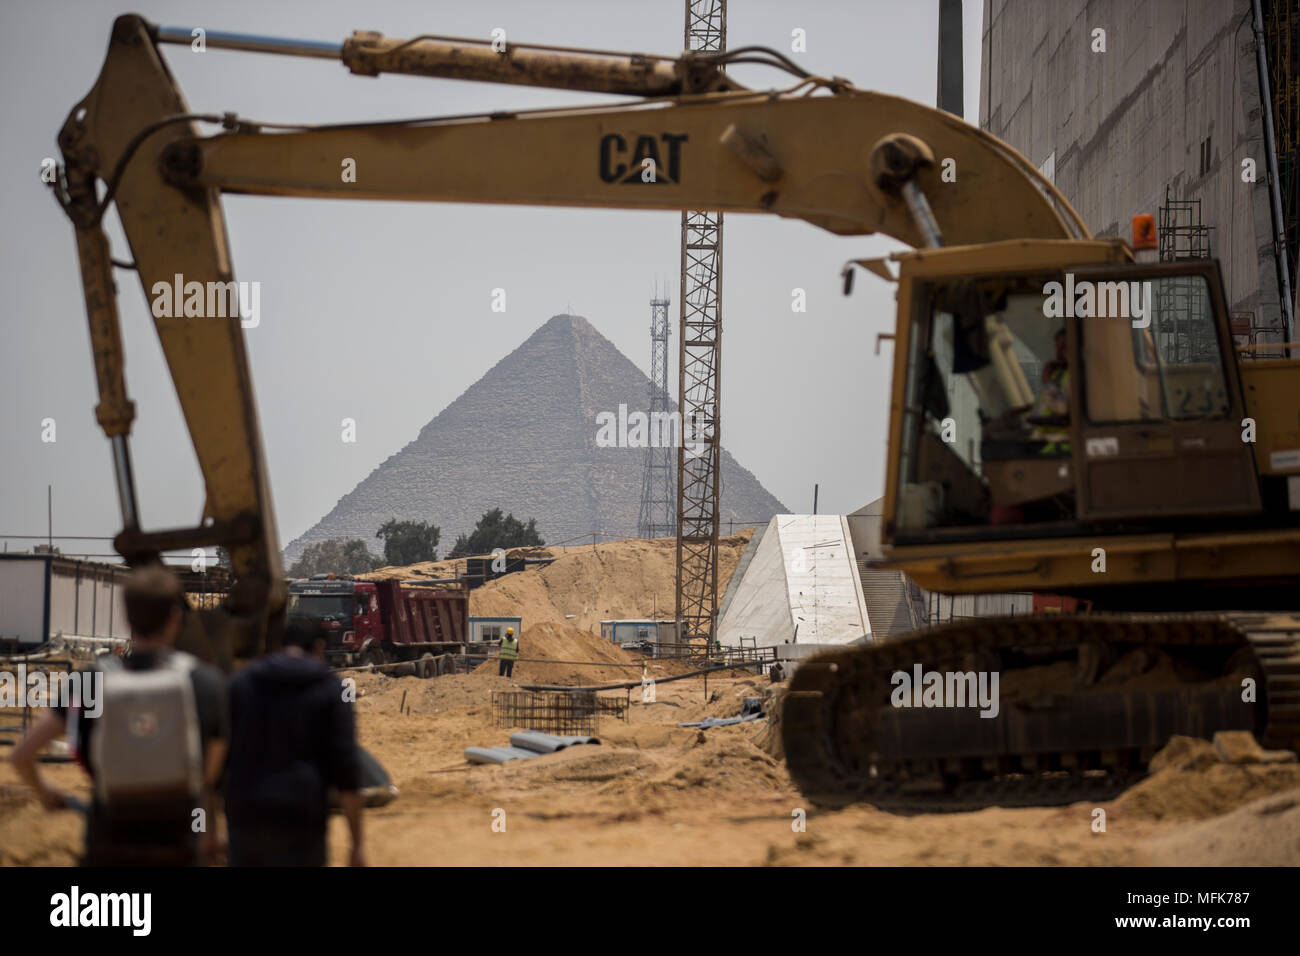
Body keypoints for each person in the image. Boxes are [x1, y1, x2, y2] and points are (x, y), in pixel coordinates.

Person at [11, 565, 228, 866]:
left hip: (108, 844)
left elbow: (22, 755)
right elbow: (208, 784)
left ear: (127, 618)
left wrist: (46, 792)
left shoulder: (92, 681)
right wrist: (203, 833)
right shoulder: (205, 683)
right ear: (175, 619)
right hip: (177, 845)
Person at [224, 619, 364, 866]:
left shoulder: (241, 682)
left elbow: (219, 754)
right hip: (301, 811)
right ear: (319, 648)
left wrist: (206, 827)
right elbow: (346, 765)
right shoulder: (330, 688)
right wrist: (357, 844)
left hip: (246, 811)